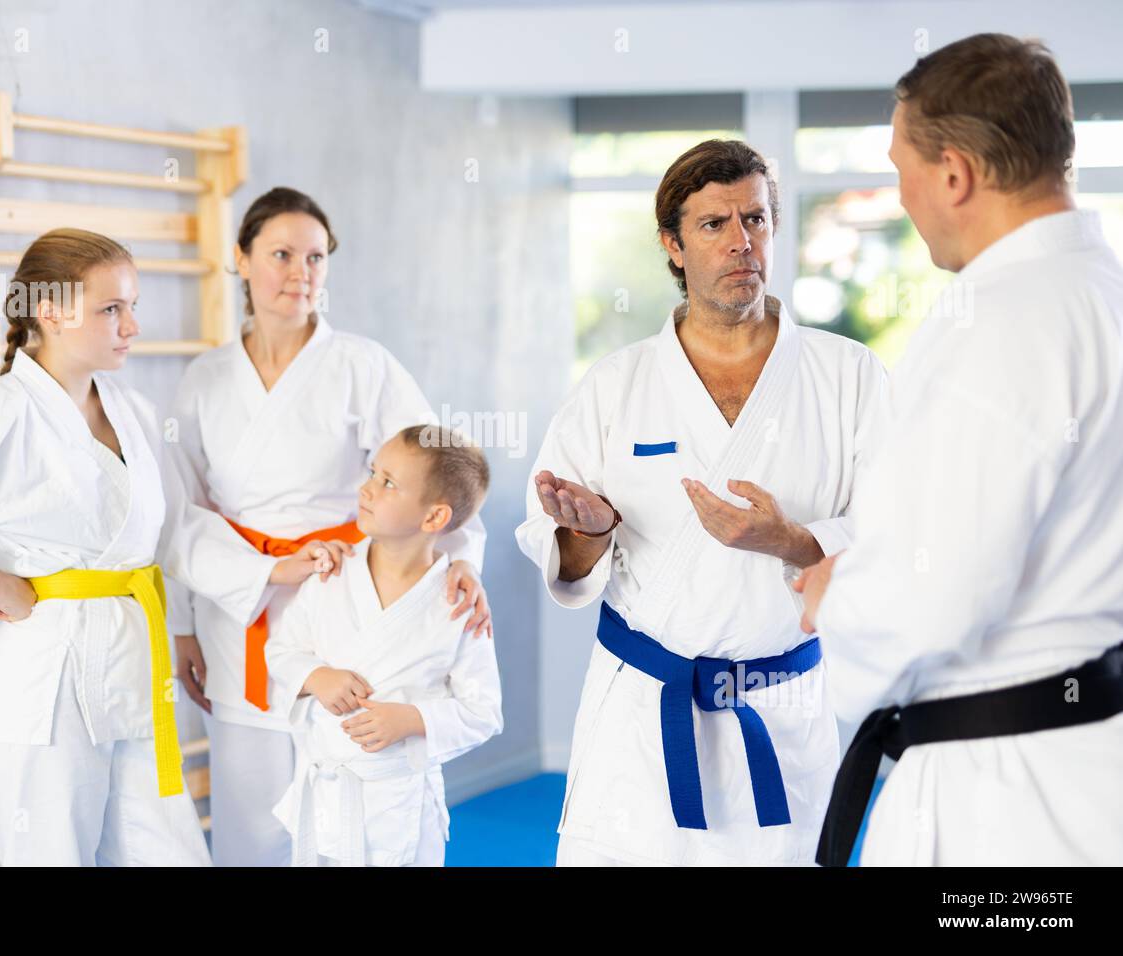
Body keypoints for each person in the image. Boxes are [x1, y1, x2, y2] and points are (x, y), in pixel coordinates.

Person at [796, 33, 1123, 867]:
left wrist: (835, 599)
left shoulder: (1004, 321)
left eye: (903, 169)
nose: (902, 197)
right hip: (1082, 762)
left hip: (1005, 804)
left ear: (954, 174)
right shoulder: (1101, 295)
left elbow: (931, 591)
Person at [0, 229, 271, 865]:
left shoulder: (131, 408)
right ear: (51, 312)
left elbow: (174, 527)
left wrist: (274, 568)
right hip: (40, 685)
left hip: (130, 668)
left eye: (132, 306)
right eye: (111, 309)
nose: (131, 325)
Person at [516, 140, 886, 865]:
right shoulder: (616, 384)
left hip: (782, 709)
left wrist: (792, 540)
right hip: (643, 716)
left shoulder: (849, 375)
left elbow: (902, 526)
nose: (741, 241)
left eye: (756, 219)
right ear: (673, 245)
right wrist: (589, 531)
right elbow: (550, 536)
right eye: (714, 224)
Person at [167, 187, 491, 866]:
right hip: (242, 608)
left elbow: (436, 471)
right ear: (242, 260)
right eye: (281, 254)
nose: (300, 273)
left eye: (316, 258)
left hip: (348, 597)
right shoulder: (204, 379)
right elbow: (184, 513)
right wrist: (185, 623)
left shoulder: (363, 366)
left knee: (353, 794)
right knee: (250, 810)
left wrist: (460, 561)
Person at [265, 426, 502, 866]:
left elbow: (484, 712)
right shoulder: (331, 574)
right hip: (325, 802)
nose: (366, 488)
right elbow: (281, 650)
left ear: (433, 518)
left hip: (402, 814)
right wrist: (316, 677)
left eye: (388, 482)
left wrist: (414, 719)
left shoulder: (458, 605)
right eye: (373, 472)